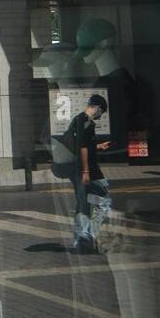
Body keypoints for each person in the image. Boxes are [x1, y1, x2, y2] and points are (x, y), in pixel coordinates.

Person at [64, 94, 111, 254]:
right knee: (103, 202)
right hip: (89, 170)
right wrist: (86, 171)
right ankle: (88, 235)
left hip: (78, 170)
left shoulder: (77, 120)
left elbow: (82, 146)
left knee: (83, 204)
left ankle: (80, 241)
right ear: (96, 107)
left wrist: (98, 146)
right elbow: (82, 148)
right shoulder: (87, 123)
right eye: (101, 112)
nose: (100, 115)